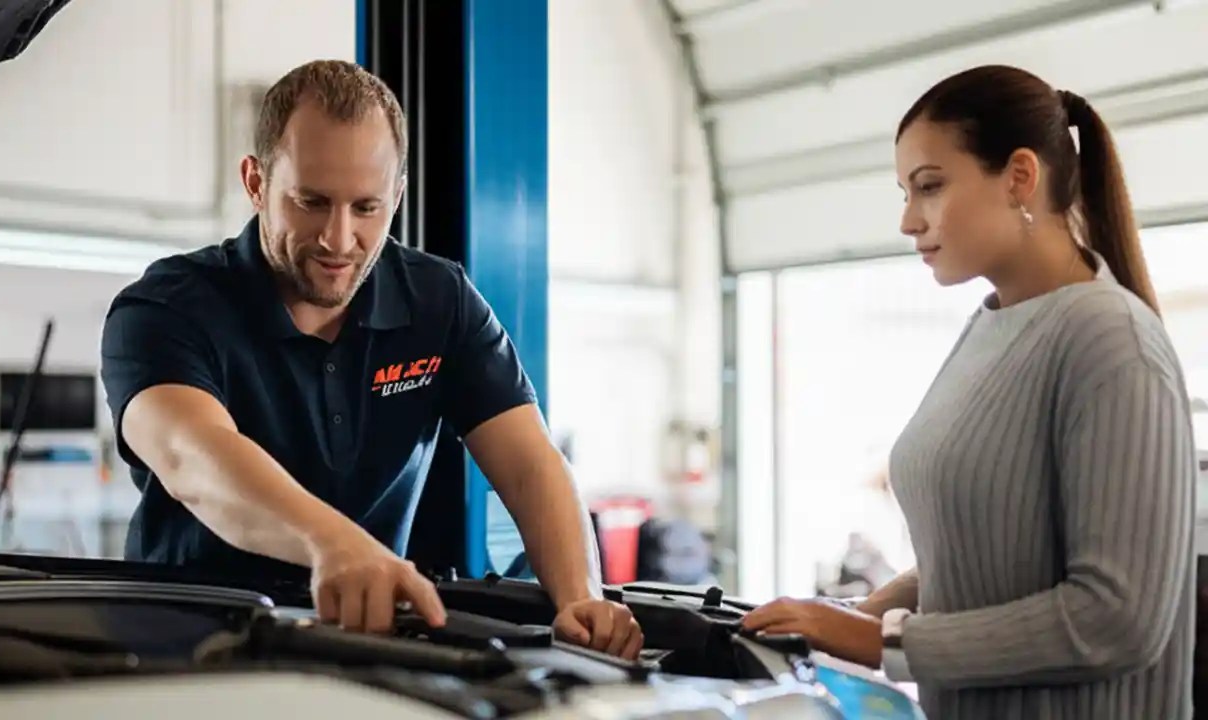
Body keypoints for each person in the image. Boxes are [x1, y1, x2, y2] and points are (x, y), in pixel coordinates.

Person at [99, 59, 643, 660]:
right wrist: (332, 542)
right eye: (311, 202)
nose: (339, 239)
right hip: (190, 656)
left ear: (398, 196)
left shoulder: (440, 302)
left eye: (366, 208)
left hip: (370, 655)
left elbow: (530, 463)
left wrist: (579, 597)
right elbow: (191, 457)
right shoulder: (165, 309)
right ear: (256, 182)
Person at [742, 64, 1195, 719]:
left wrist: (881, 639)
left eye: (928, 187)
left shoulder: (1109, 337)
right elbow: (993, 546)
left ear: (1019, 177)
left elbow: (1114, 619)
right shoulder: (993, 324)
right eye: (903, 191)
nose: (906, 219)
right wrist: (872, 606)